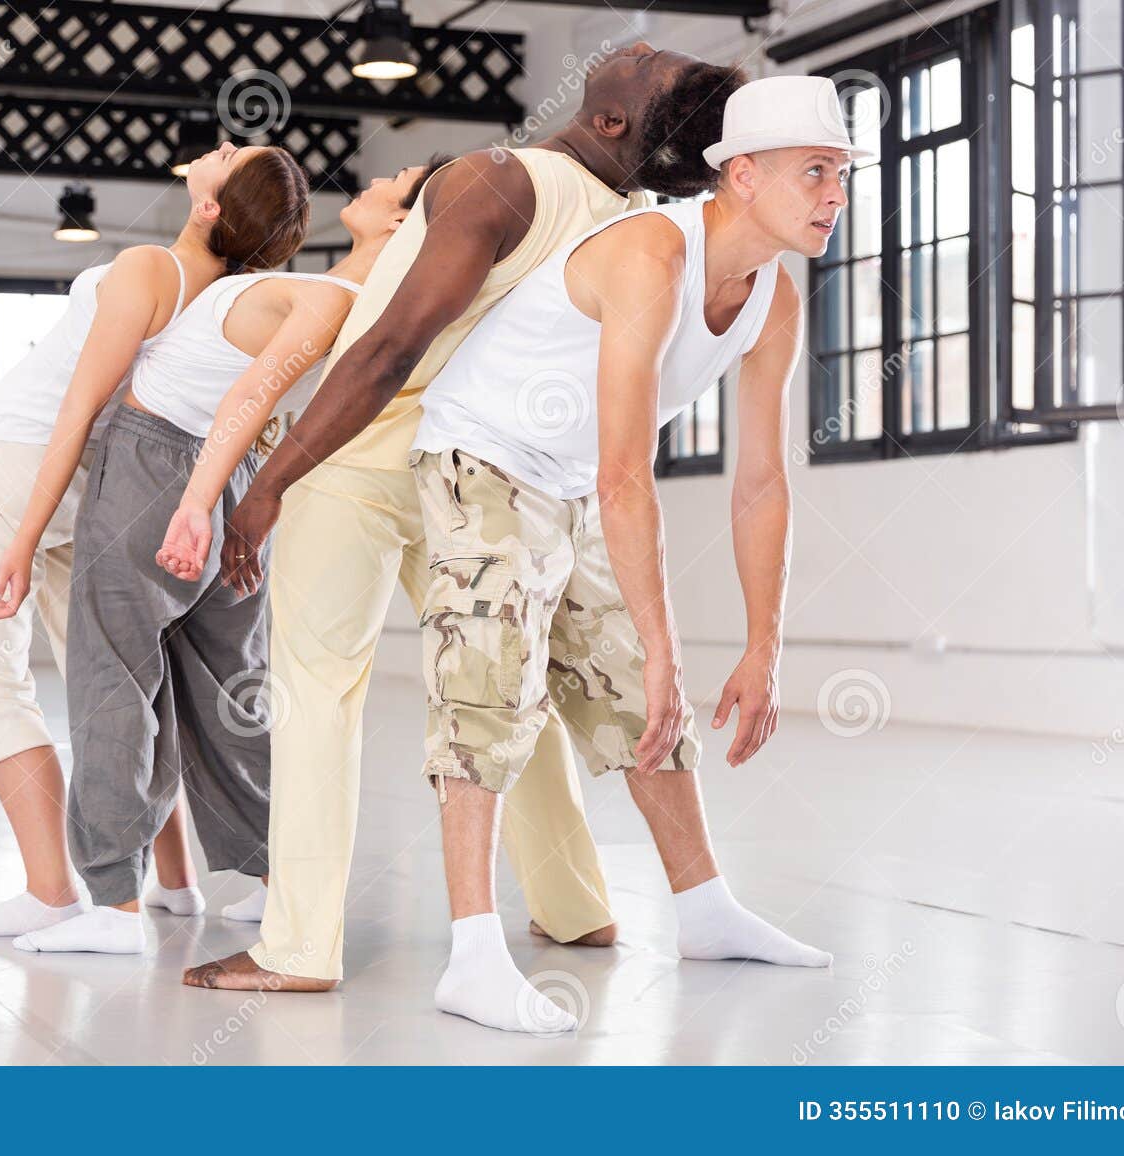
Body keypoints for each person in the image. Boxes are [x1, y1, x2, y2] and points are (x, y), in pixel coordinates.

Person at [185, 44, 747, 993]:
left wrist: (270, 479)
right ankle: (574, 907)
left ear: (611, 121)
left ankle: (298, 950)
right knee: (504, 684)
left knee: (321, 694)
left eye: (648, 64)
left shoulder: (502, 179)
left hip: (361, 462)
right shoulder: (640, 222)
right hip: (482, 476)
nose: (640, 44)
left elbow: (390, 347)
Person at [405, 74, 866, 1032]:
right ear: (742, 175)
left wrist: (762, 647)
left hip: (570, 478)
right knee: (490, 686)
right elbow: (627, 472)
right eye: (818, 171)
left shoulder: (772, 299)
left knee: (632, 697)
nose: (837, 195)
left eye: (845, 174)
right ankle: (472, 954)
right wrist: (668, 651)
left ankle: (704, 909)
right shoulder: (654, 255)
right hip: (485, 455)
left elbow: (762, 484)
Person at [0, 163, 436, 955]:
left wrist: (193, 503)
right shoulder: (333, 297)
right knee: (230, 691)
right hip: (222, 478)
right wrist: (226, 503)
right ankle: (273, 884)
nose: (385, 172)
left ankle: (116, 907)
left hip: (160, 470)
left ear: (396, 228)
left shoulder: (326, 299)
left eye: (401, 184)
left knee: (111, 680)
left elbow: (249, 397)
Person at [0, 140, 309, 939]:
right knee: (129, 684)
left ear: (212, 207)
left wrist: (21, 539)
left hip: (22, 466)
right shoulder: (221, 291)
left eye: (230, 150)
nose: (219, 143)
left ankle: (53, 892)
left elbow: (76, 407)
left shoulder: (148, 269)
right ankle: (173, 884)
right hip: (112, 480)